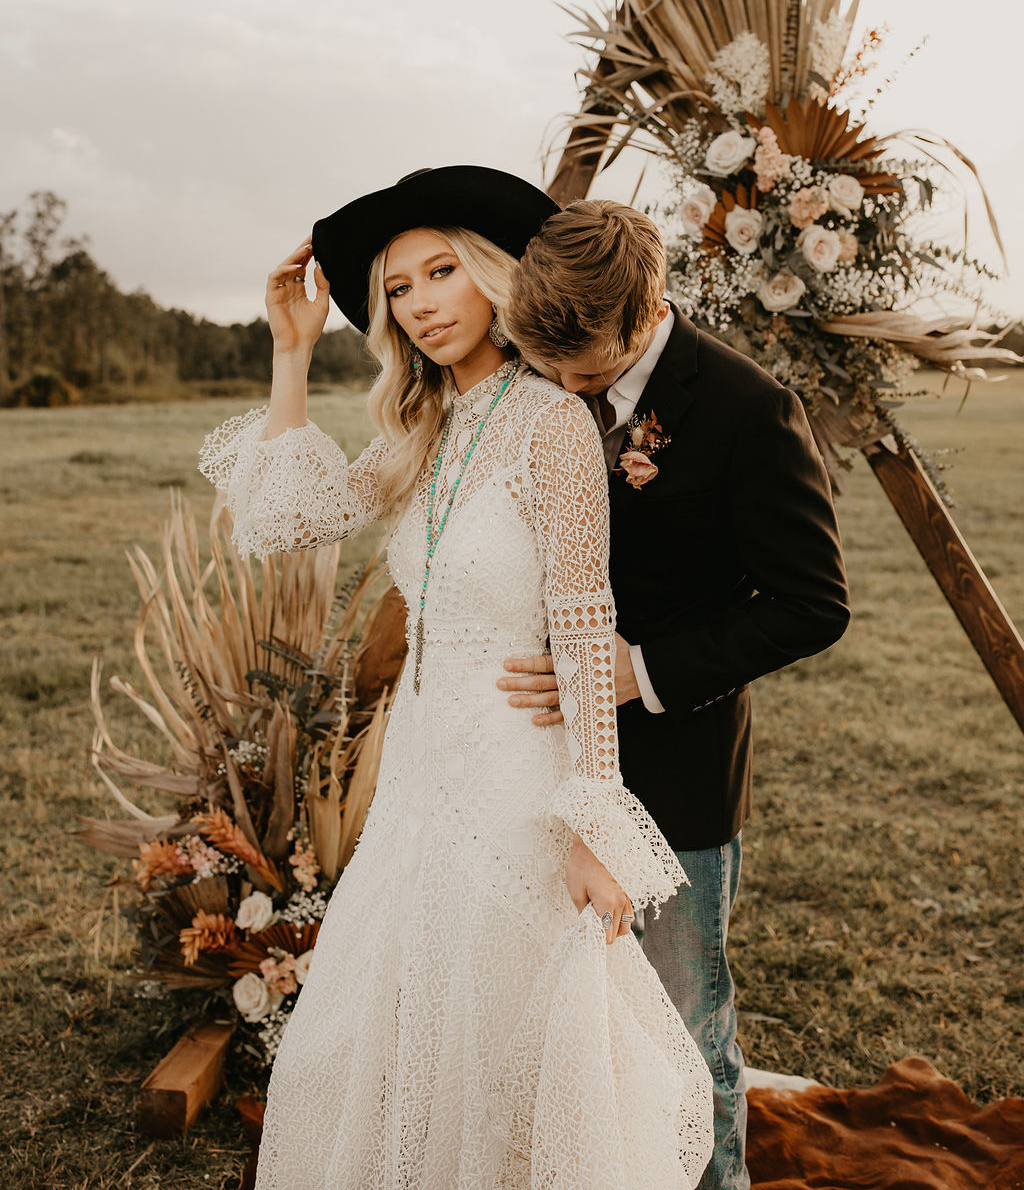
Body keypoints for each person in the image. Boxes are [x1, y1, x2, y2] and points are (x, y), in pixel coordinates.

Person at [198, 167, 714, 1190]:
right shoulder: (423, 428)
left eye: (441, 272)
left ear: (494, 275)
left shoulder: (551, 423)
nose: (421, 303)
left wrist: (593, 824)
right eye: (397, 288)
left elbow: (583, 625)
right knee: (408, 1023)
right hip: (420, 779)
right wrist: (292, 352)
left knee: (511, 1028)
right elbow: (285, 522)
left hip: (518, 779)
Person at [499, 199, 851, 1190]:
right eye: (549, 371)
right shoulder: (540, 376)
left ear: (650, 312)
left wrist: (639, 671)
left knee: (682, 1023)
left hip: (675, 773)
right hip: (536, 763)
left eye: (587, 377)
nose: (564, 390)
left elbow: (812, 605)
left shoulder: (748, 409)